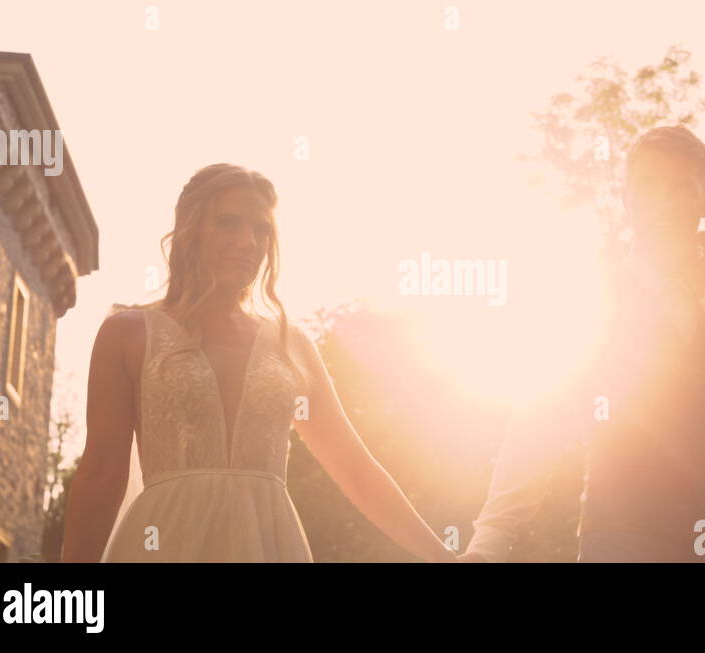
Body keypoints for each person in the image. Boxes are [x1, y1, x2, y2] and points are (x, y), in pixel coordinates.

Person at [60, 163, 456, 563]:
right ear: (188, 231)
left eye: (260, 229)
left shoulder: (292, 346)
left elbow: (355, 468)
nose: (248, 241)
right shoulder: (126, 333)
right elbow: (101, 474)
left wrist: (444, 557)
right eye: (228, 224)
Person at [458, 125, 705, 562]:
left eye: (682, 187)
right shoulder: (587, 300)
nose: (664, 201)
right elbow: (539, 424)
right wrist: (489, 542)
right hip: (620, 543)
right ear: (627, 199)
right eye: (649, 186)